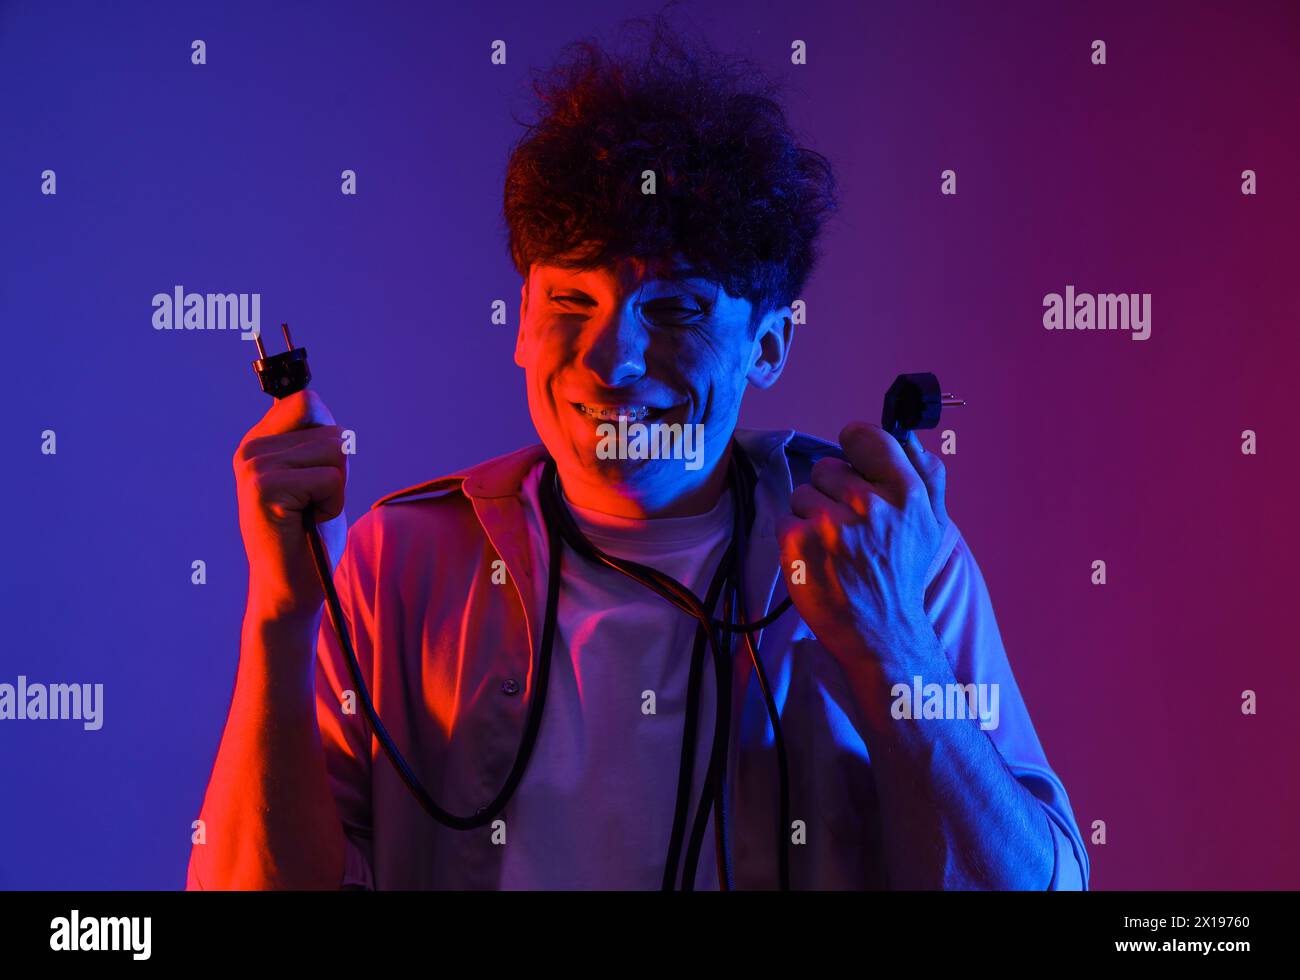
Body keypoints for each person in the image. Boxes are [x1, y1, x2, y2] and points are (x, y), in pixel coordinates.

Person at [186, 18, 1088, 891]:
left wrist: (894, 649)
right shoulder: (400, 563)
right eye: (571, 302)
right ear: (521, 324)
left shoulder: (893, 554)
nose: (611, 361)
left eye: (677, 310)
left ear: (768, 346)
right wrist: (279, 615)